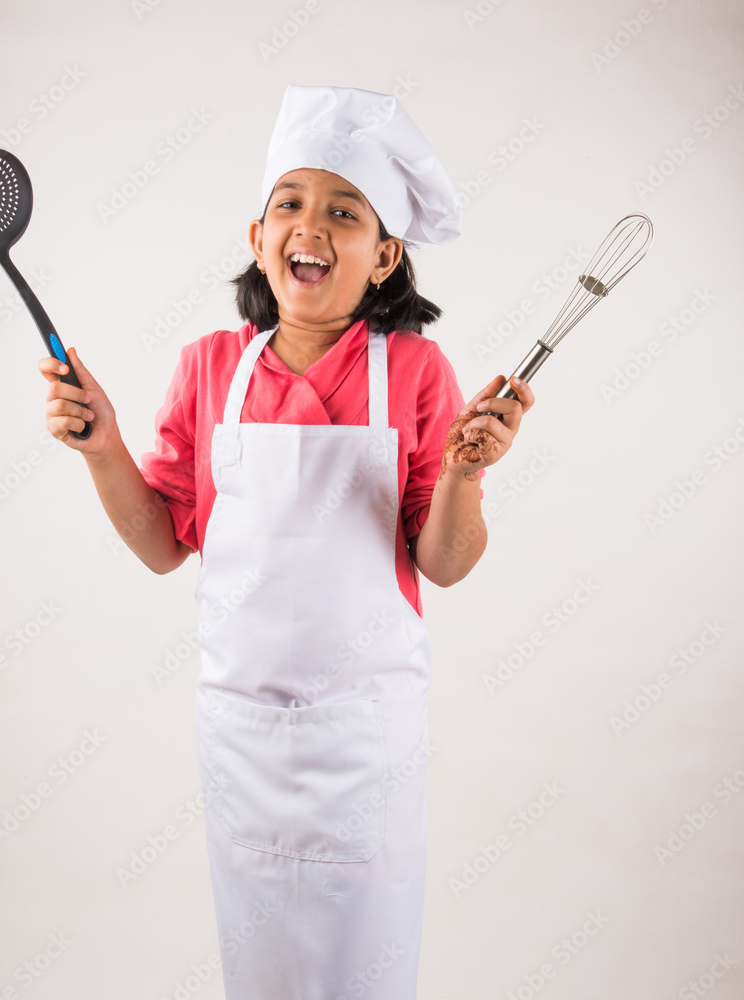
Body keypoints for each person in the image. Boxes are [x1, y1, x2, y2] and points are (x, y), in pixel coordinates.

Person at [39, 84, 534, 1000]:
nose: (311, 224)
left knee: (362, 972)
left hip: (366, 748)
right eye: (290, 203)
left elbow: (445, 564)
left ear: (385, 257)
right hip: (244, 745)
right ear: (259, 236)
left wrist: (466, 473)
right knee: (258, 973)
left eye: (344, 212)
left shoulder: (417, 373)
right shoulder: (209, 368)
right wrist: (102, 447)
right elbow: (161, 546)